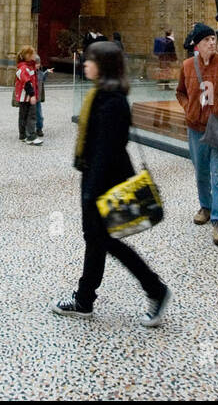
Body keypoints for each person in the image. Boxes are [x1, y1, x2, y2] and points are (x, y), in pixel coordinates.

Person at [52, 40, 171, 327]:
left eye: (90, 60)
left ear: (103, 65)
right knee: (96, 240)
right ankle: (84, 300)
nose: (85, 64)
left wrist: (91, 191)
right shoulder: (100, 94)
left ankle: (156, 289)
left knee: (107, 241)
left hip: (105, 183)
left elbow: (108, 150)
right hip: (94, 178)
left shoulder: (112, 101)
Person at [176, 22, 218, 247]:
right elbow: (180, 92)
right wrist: (188, 107)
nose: (212, 42)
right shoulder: (187, 66)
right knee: (201, 173)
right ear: (197, 45)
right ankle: (205, 207)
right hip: (195, 127)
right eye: (207, 40)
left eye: (213, 38)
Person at [14, 47, 40, 143]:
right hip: (26, 96)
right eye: (32, 54)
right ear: (27, 56)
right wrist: (32, 95)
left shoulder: (29, 66)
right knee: (30, 116)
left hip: (28, 96)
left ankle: (23, 135)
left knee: (24, 115)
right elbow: (27, 82)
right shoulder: (23, 68)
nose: (34, 56)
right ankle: (30, 136)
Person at [32, 50, 52, 140]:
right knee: (31, 115)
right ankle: (30, 130)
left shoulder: (40, 73)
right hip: (31, 98)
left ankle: (39, 129)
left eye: (38, 63)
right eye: (36, 63)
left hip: (38, 98)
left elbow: (42, 78)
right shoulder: (30, 73)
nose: (37, 65)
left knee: (39, 115)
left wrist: (47, 72)